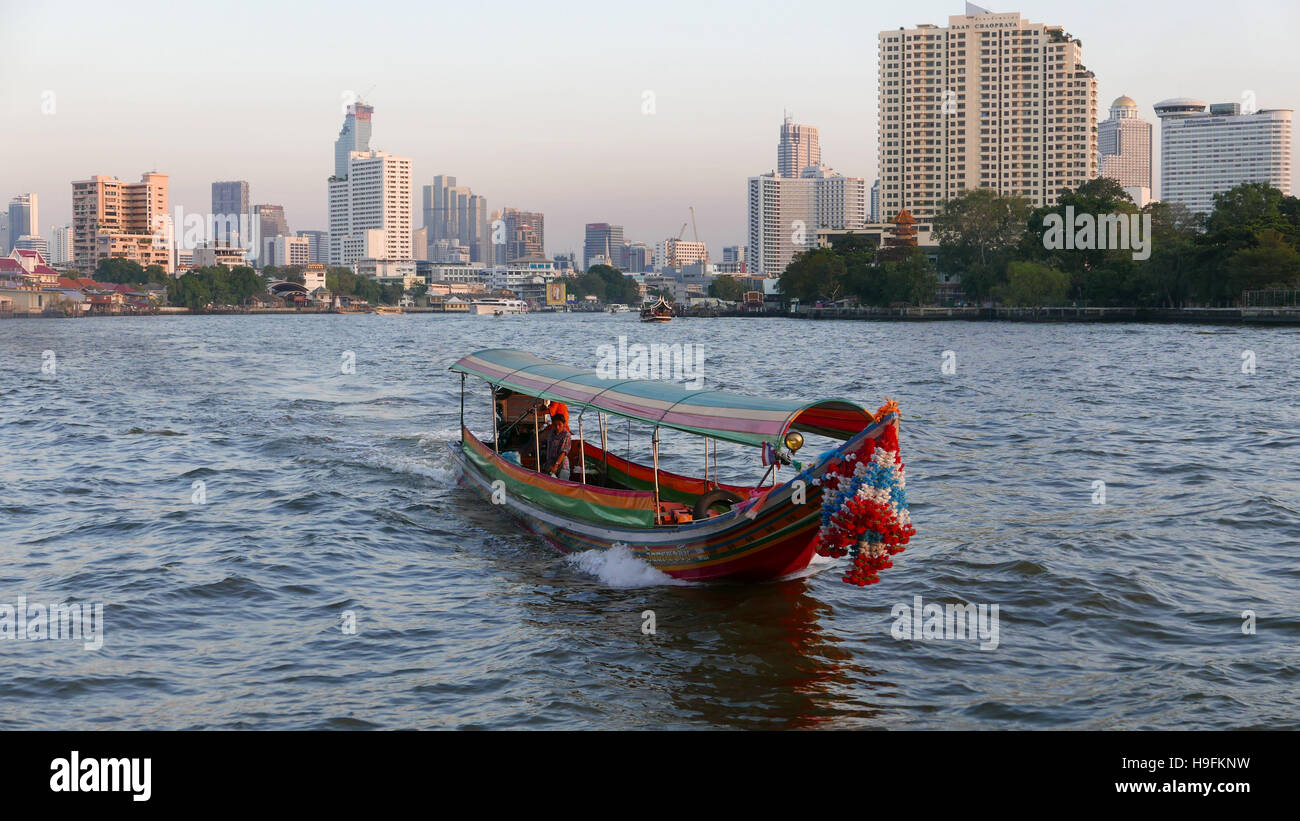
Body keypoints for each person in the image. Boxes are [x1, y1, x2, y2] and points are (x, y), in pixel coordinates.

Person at [541, 407, 572, 481]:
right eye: (555, 425)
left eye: (559, 424)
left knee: (563, 483)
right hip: (551, 463)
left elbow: (563, 452)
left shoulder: (566, 434)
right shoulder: (552, 432)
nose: (557, 427)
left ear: (564, 424)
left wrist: (556, 465)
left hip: (561, 465)